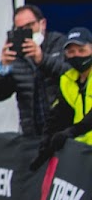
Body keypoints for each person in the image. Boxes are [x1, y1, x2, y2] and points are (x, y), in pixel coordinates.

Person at [0, 5, 66, 137]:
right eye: (20, 29)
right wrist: (3, 67)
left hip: (62, 131)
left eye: (30, 26)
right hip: (33, 135)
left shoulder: (59, 43)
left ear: (43, 24)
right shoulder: (16, 56)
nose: (26, 31)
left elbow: (72, 74)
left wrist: (42, 59)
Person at [32, 27, 92, 167]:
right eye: (71, 52)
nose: (76, 55)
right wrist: (46, 144)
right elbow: (59, 115)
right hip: (83, 153)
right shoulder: (67, 79)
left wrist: (71, 132)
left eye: (81, 50)